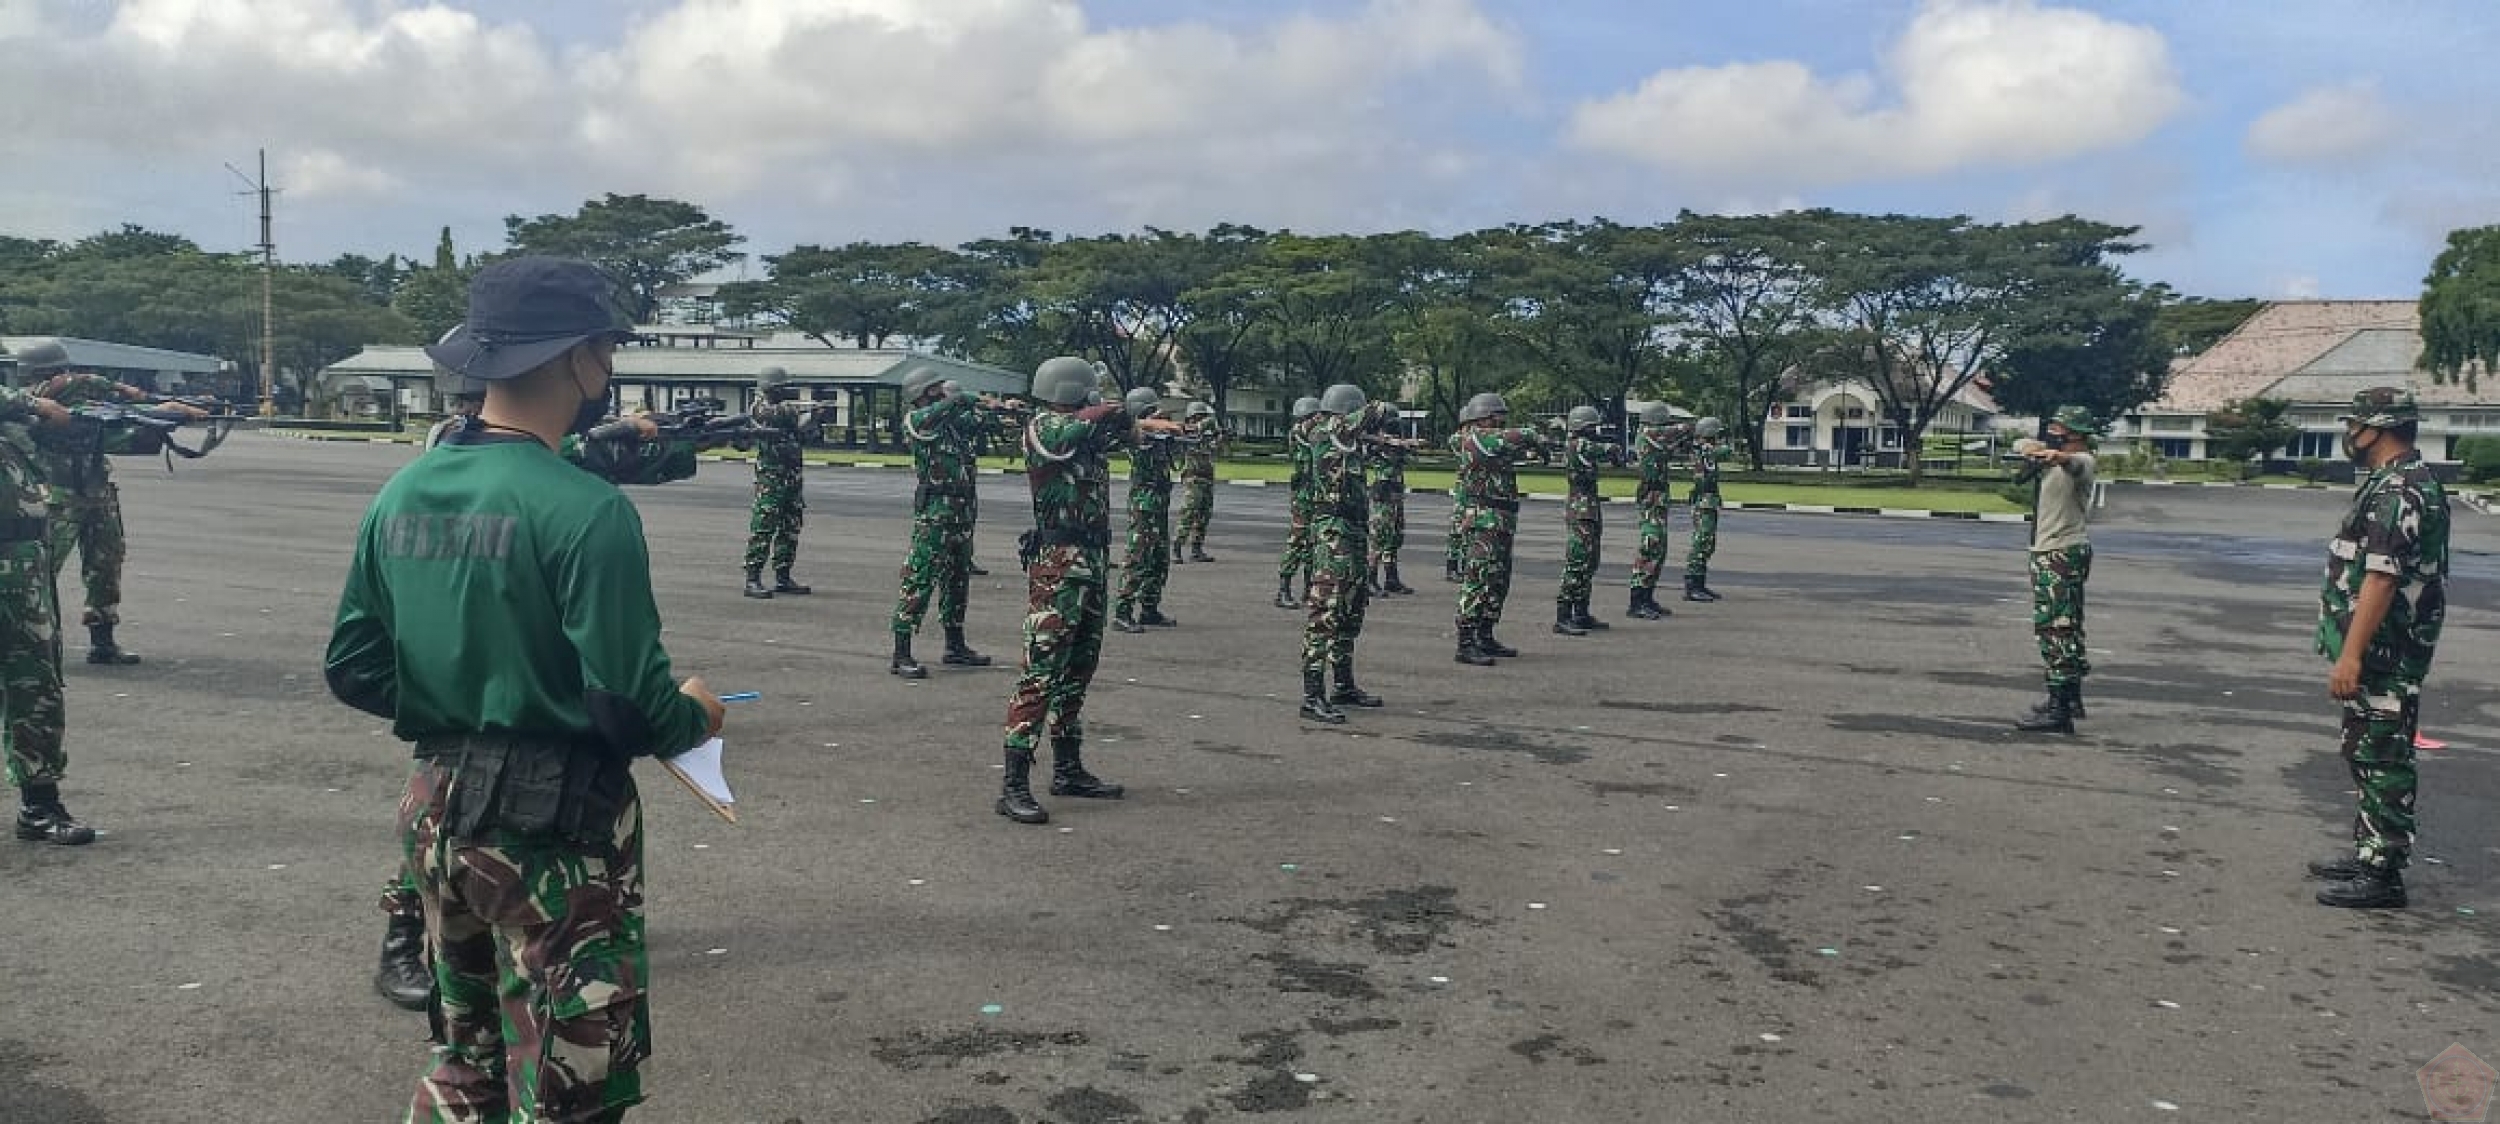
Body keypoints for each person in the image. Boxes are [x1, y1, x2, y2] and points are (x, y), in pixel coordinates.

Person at [326, 256, 726, 1122]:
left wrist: (457, 693)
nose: (609, 370)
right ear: (580, 359)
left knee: (465, 1059)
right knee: (566, 1088)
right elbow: (629, 707)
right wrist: (697, 711)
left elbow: (353, 666)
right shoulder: (586, 509)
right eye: (607, 350)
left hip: (437, 810)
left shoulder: (404, 491)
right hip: (550, 832)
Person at [995, 357, 1181, 825]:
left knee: (1079, 668)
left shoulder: (1085, 430)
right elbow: (1072, 432)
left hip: (1092, 562)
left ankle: (1068, 768)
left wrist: (1138, 421)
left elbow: (1132, 437)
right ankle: (1013, 783)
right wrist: (1114, 407)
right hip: (1057, 566)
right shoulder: (1044, 428)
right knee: (1041, 672)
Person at [2309, 387, 2448, 910]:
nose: (2350, 435)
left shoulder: (2399, 491)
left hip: (2385, 650)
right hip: (2381, 648)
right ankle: (2369, 851)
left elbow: (2382, 580)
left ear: (2378, 428)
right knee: (2365, 749)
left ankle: (2383, 873)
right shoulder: (2395, 481)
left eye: (2356, 425)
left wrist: (2351, 654)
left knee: (2384, 755)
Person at [12, 340, 207, 664]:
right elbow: (85, 406)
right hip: (55, 497)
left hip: (97, 494)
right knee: (43, 572)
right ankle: (31, 645)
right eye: (56, 373)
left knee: (105, 565)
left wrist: (164, 417)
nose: (65, 378)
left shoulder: (75, 403)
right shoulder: (29, 408)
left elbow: (115, 430)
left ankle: (103, 641)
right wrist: (157, 409)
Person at [1, 372, 93, 845]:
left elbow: (90, 432)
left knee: (36, 683)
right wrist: (32, 404)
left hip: (24, 563)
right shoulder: (16, 406)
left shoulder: (17, 422)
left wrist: (162, 419)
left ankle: (40, 805)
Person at [890, 369, 1001, 678]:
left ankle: (955, 646)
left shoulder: (950, 425)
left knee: (957, 581)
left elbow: (977, 422)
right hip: (936, 513)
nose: (944, 391)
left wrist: (999, 410)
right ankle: (901, 654)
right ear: (924, 393)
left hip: (961, 513)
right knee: (920, 579)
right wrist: (965, 398)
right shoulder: (917, 421)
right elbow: (951, 406)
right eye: (937, 388)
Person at [1297, 386, 1387, 723]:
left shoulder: (1347, 443)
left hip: (1354, 533)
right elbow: (1377, 410)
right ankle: (1312, 694)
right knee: (1325, 613)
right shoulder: (1326, 430)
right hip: (1333, 534)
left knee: (1351, 611)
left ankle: (1344, 685)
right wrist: (1369, 413)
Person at [2012, 407, 2099, 734]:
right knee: (2070, 625)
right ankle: (2071, 698)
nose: (2051, 430)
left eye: (2057, 426)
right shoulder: (2048, 457)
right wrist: (2036, 451)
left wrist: (2058, 458)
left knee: (2055, 628)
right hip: (2057, 550)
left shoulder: (2083, 461)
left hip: (2059, 553)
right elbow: (2022, 444)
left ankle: (2058, 710)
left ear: (2073, 433)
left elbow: (2077, 464)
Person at [1448, 392, 1547, 666]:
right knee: (1478, 579)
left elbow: (1514, 446)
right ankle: (1466, 642)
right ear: (1484, 418)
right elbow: (1517, 436)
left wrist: (1538, 448)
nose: (1502, 423)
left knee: (1498, 581)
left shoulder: (1492, 442)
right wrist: (1533, 436)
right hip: (1483, 519)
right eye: (1498, 418)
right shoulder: (1474, 439)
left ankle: (1485, 633)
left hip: (1500, 519)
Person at [1112, 387, 1181, 633]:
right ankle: (1123, 611)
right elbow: (1140, 427)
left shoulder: (1159, 433)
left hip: (1160, 500)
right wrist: (1160, 424)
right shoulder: (1135, 429)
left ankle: (1149, 608)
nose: (1157, 414)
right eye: (1150, 409)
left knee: (1159, 557)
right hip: (1144, 501)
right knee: (1137, 556)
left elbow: (1177, 449)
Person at [742, 366, 812, 599]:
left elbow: (797, 436)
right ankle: (752, 578)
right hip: (770, 480)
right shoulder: (760, 409)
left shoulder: (785, 411)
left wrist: (813, 421)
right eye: (782, 387)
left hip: (791, 479)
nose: (786, 391)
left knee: (790, 528)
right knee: (763, 528)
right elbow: (782, 415)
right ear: (770, 388)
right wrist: (801, 414)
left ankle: (783, 575)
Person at [1554, 405, 1624, 635]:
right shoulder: (1578, 445)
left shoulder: (1584, 446)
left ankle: (1581, 612)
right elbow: (1609, 449)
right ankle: (1563, 616)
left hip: (1589, 506)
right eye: (1592, 427)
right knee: (1578, 561)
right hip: (1581, 507)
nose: (1595, 430)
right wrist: (1614, 447)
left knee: (1589, 562)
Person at [1626, 404, 1685, 620]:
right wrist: (1694, 427)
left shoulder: (1655, 439)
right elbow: (1675, 432)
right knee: (1650, 545)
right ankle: (1637, 600)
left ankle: (1647, 597)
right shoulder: (1647, 434)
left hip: (1658, 497)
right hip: (1651, 496)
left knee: (1659, 548)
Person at [1273, 396, 1322, 609]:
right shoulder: (1298, 432)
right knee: (1296, 542)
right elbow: (1303, 431)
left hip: (1316, 496)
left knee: (1314, 545)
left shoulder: (1316, 434)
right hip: (1302, 498)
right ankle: (1283, 590)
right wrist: (1316, 419)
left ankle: (1309, 589)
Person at [1681, 416, 1730, 603]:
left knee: (1707, 543)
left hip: (1708, 500)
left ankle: (1699, 584)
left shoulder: (1703, 448)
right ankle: (1692, 586)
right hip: (1703, 500)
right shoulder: (1703, 448)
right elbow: (1724, 452)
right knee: (1702, 542)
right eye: (1716, 433)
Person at [1366, 420, 1417, 596]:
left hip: (1395, 498)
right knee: (1378, 538)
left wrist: (1405, 445)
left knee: (1394, 538)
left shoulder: (1396, 450)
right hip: (1383, 498)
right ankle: (1370, 580)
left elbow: (1408, 455)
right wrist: (1391, 442)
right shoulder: (1377, 449)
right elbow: (1378, 447)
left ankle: (1391, 579)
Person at [1173, 401, 1224, 564]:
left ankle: (1197, 548)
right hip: (1193, 478)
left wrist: (1219, 437)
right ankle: (1177, 547)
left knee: (1204, 515)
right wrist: (1207, 423)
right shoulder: (1187, 432)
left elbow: (1216, 449)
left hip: (1207, 478)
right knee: (1188, 513)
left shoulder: (1205, 436)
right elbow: (1196, 431)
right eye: (1199, 417)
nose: (1202, 420)